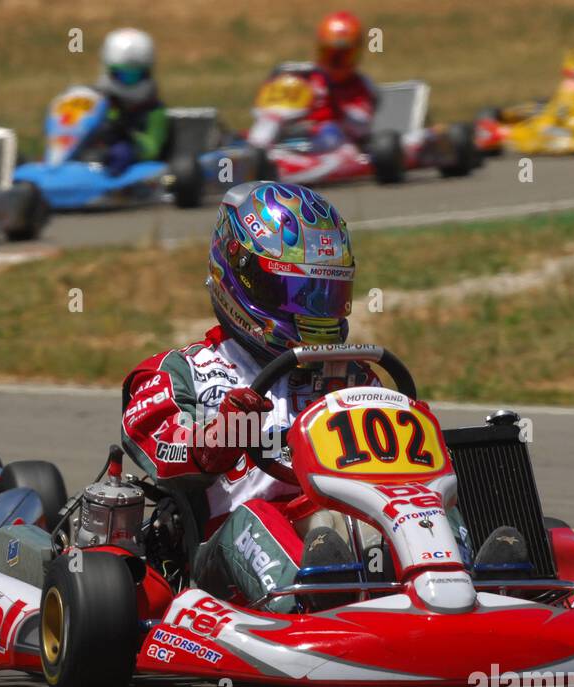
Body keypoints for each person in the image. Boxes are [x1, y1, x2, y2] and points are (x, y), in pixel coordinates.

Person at [121, 182, 385, 608]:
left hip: (332, 528)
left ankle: (471, 582)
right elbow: (160, 447)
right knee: (259, 517)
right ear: (241, 275)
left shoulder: (354, 378)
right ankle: (305, 605)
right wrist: (218, 438)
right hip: (221, 556)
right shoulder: (184, 371)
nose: (313, 311)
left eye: (325, 295)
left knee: (394, 510)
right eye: (298, 295)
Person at [95, 28, 169, 175]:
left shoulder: (154, 111)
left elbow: (152, 149)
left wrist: (126, 133)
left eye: (133, 76)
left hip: (130, 163)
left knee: (121, 152)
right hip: (95, 154)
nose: (128, 81)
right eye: (123, 76)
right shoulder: (101, 104)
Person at [305, 11, 378, 147]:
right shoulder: (308, 78)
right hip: (301, 136)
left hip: (340, 144)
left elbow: (361, 125)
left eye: (342, 57)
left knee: (329, 132)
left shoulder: (360, 86)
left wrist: (336, 106)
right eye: (330, 55)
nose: (335, 63)